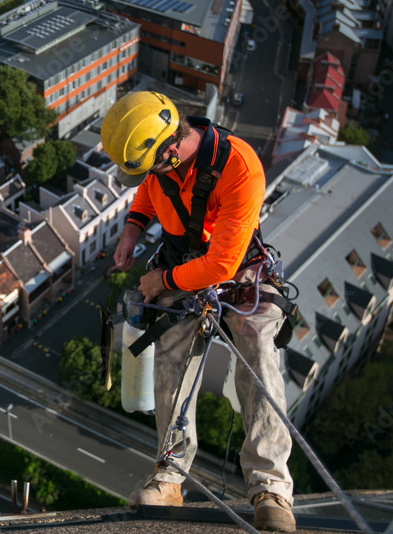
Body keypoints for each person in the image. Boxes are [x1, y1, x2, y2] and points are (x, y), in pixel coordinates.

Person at [101, 91, 295, 532]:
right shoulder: (166, 161)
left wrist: (160, 282)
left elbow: (223, 264)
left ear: (170, 148)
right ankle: (170, 474)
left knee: (258, 348)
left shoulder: (239, 168)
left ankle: (270, 488)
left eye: (152, 164)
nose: (150, 175)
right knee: (171, 361)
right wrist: (132, 231)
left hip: (236, 269)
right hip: (180, 262)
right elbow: (151, 191)